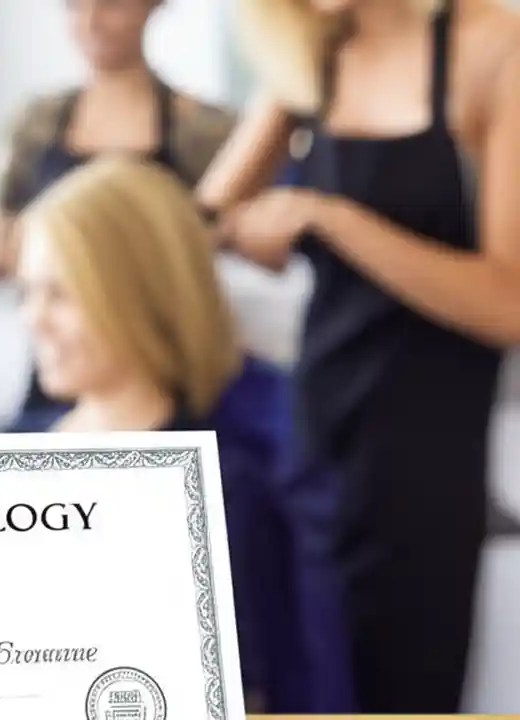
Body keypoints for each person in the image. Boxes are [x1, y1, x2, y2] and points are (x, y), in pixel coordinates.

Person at [198, 0, 520, 711]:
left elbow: (507, 305)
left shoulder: (494, 48)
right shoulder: (310, 60)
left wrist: (331, 220)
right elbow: (209, 216)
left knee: (403, 687)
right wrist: (251, 225)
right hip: (317, 433)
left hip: (425, 461)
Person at [19, 158, 354, 713]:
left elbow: (257, 695)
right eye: (27, 292)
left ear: (137, 294)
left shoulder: (228, 487)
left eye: (60, 294)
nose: (33, 318)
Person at [0, 0, 237, 432]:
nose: (91, 22)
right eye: (75, 6)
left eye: (110, 5)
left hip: (163, 367)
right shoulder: (36, 124)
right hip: (71, 355)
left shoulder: (205, 130)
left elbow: (244, 238)